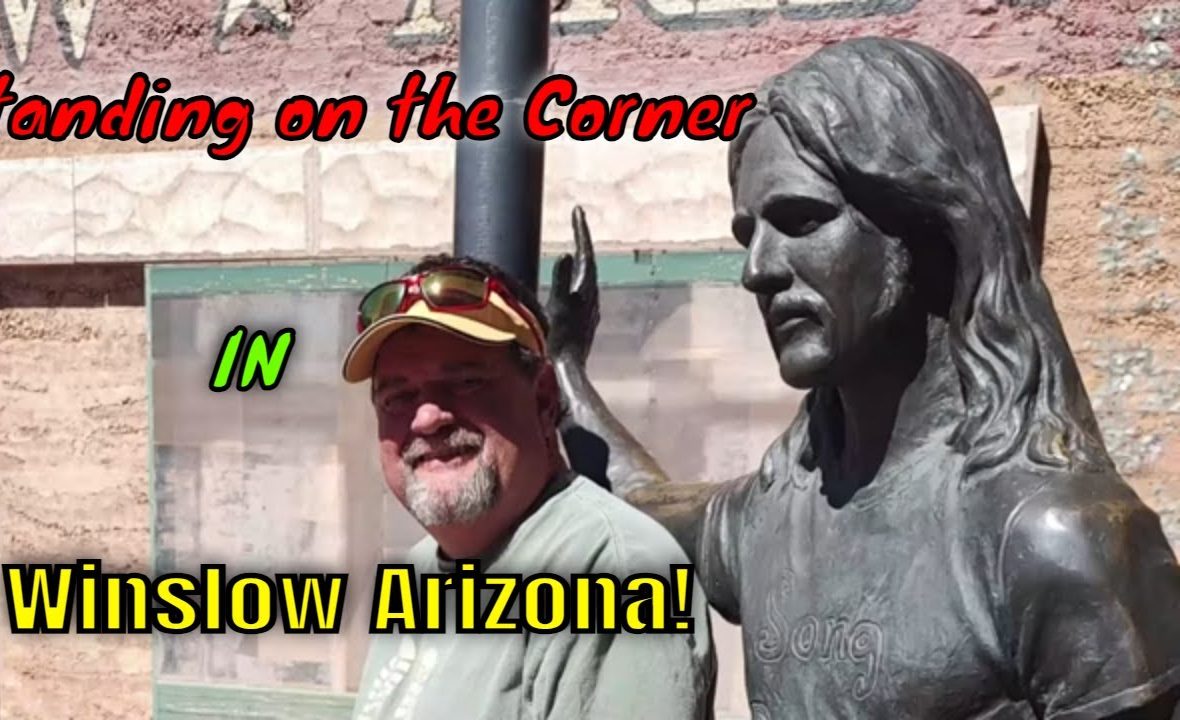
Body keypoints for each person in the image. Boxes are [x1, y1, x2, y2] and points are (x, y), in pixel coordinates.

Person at [548, 37, 1180, 719]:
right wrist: (561, 372)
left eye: (803, 220)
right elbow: (643, 509)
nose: (757, 269)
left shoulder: (1054, 537)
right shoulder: (779, 514)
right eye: (748, 234)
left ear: (930, 222)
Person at [340, 254, 717, 720]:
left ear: (542, 398)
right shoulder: (419, 571)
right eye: (398, 397)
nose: (426, 417)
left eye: (466, 382)